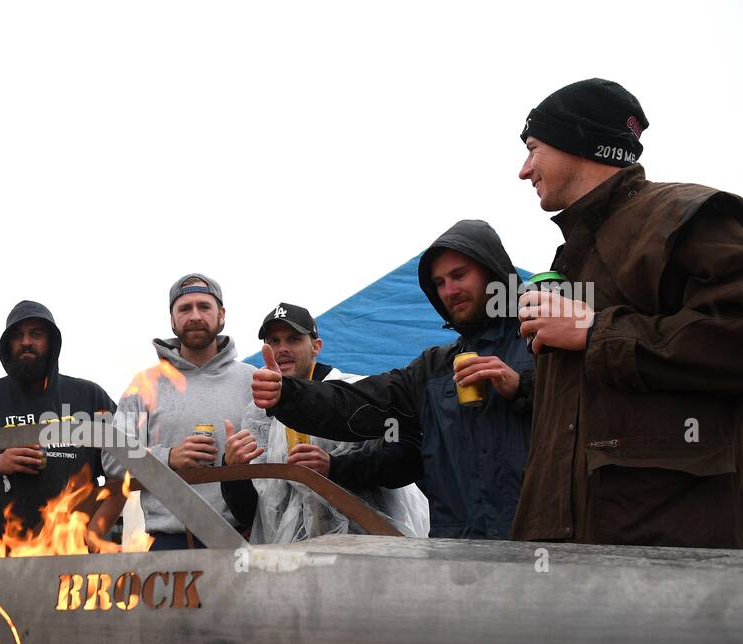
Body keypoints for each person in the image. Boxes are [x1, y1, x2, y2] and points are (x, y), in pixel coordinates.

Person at [514, 77, 743, 548]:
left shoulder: (685, 216)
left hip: (668, 560)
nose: (524, 169)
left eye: (533, 148)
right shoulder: (576, 255)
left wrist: (596, 331)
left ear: (576, 144)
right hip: (568, 558)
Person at [252, 222, 533, 539]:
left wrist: (522, 388)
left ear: (492, 272)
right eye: (439, 283)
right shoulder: (434, 367)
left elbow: (588, 413)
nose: (449, 291)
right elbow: (361, 402)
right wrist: (288, 395)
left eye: (459, 275)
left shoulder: (543, 343)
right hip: (460, 551)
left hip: (539, 543)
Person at [221, 303, 428, 540]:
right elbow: (249, 514)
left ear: (316, 346)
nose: (282, 349)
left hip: (365, 553)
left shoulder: (355, 394)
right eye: (274, 341)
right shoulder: (258, 416)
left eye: (294, 339)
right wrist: (233, 470)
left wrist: (334, 467)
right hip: (290, 562)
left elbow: (406, 457)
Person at [0, 300, 115, 556]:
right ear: (7, 345)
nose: (26, 342)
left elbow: (125, 471)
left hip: (71, 558)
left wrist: (95, 531)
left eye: (36, 334)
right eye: (18, 335)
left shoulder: (88, 397)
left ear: (52, 342)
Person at [97, 273, 255, 551]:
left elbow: (275, 458)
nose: (195, 315)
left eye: (204, 307)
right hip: (168, 545)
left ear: (222, 314)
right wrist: (167, 456)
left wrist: (237, 462)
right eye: (185, 308)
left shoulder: (251, 381)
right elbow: (112, 458)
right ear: (172, 320)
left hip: (240, 540)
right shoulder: (145, 384)